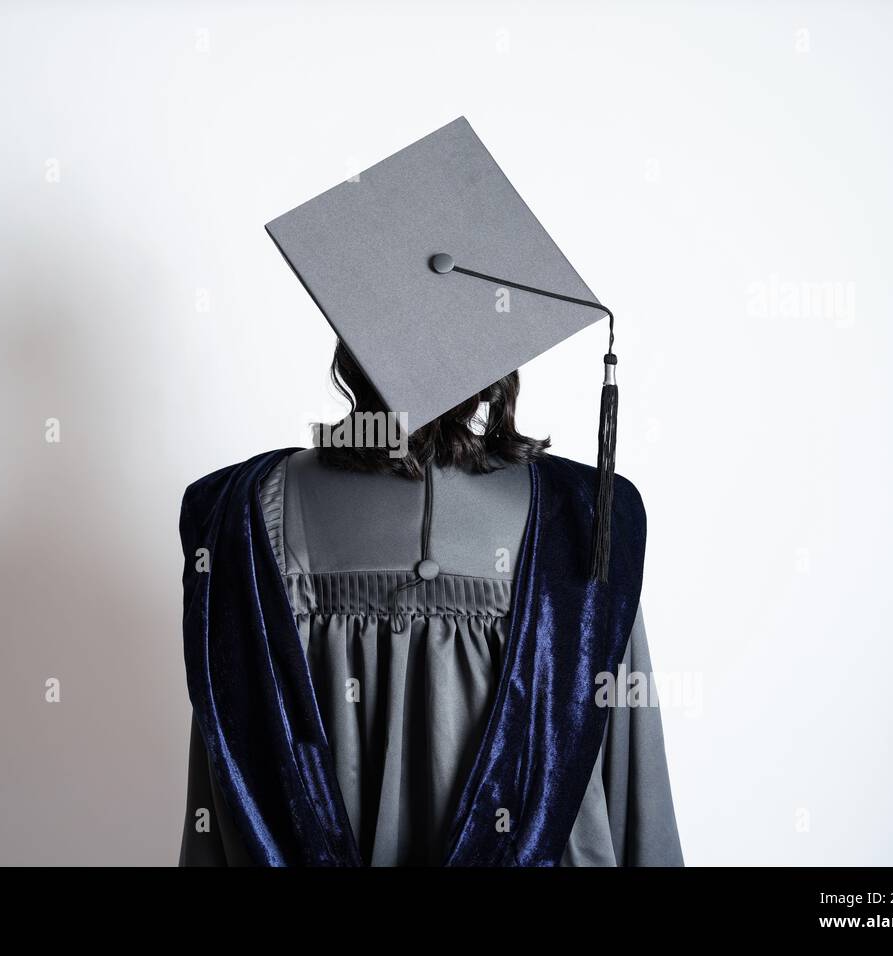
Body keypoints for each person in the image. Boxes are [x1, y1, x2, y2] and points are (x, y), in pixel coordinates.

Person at [178, 117, 682, 866]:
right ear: (500, 353)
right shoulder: (585, 519)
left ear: (351, 346)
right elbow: (633, 785)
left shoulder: (246, 515)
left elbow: (221, 791)